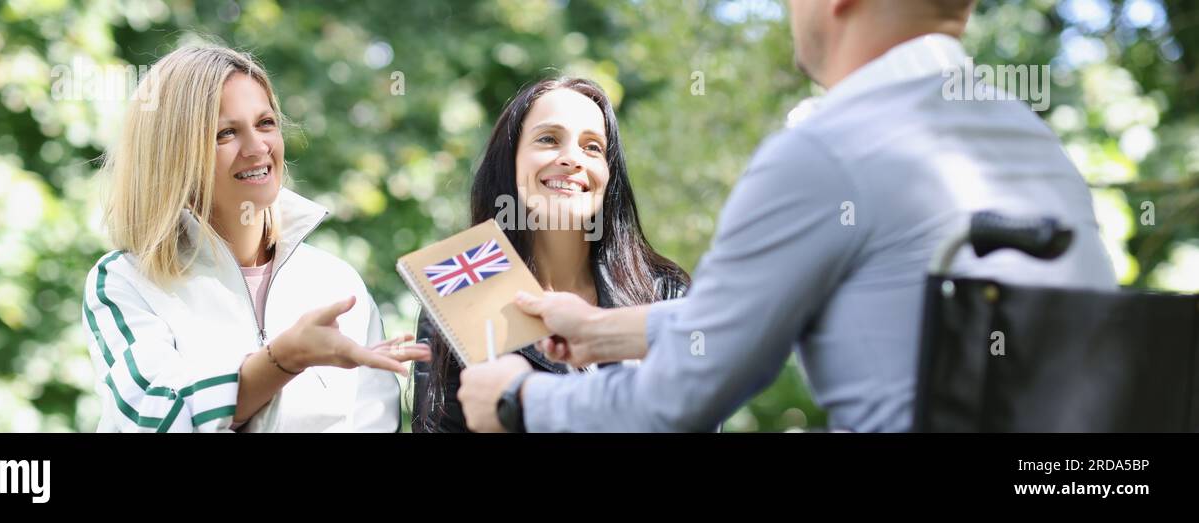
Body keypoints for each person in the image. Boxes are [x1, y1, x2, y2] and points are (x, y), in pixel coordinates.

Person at [456, 0, 1117, 432]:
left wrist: (520, 401)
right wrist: (606, 332)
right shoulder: (1032, 140)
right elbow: (804, 314)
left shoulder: (826, 150)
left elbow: (674, 405)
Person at [83, 44, 428, 432]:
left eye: (265, 123)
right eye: (226, 133)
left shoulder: (337, 283)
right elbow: (157, 418)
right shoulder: (125, 281)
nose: (257, 147)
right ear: (174, 154)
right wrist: (284, 358)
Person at [411, 77, 689, 432]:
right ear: (509, 162)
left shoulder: (665, 293)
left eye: (592, 147)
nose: (572, 158)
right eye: (548, 139)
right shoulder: (463, 285)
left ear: (609, 173)